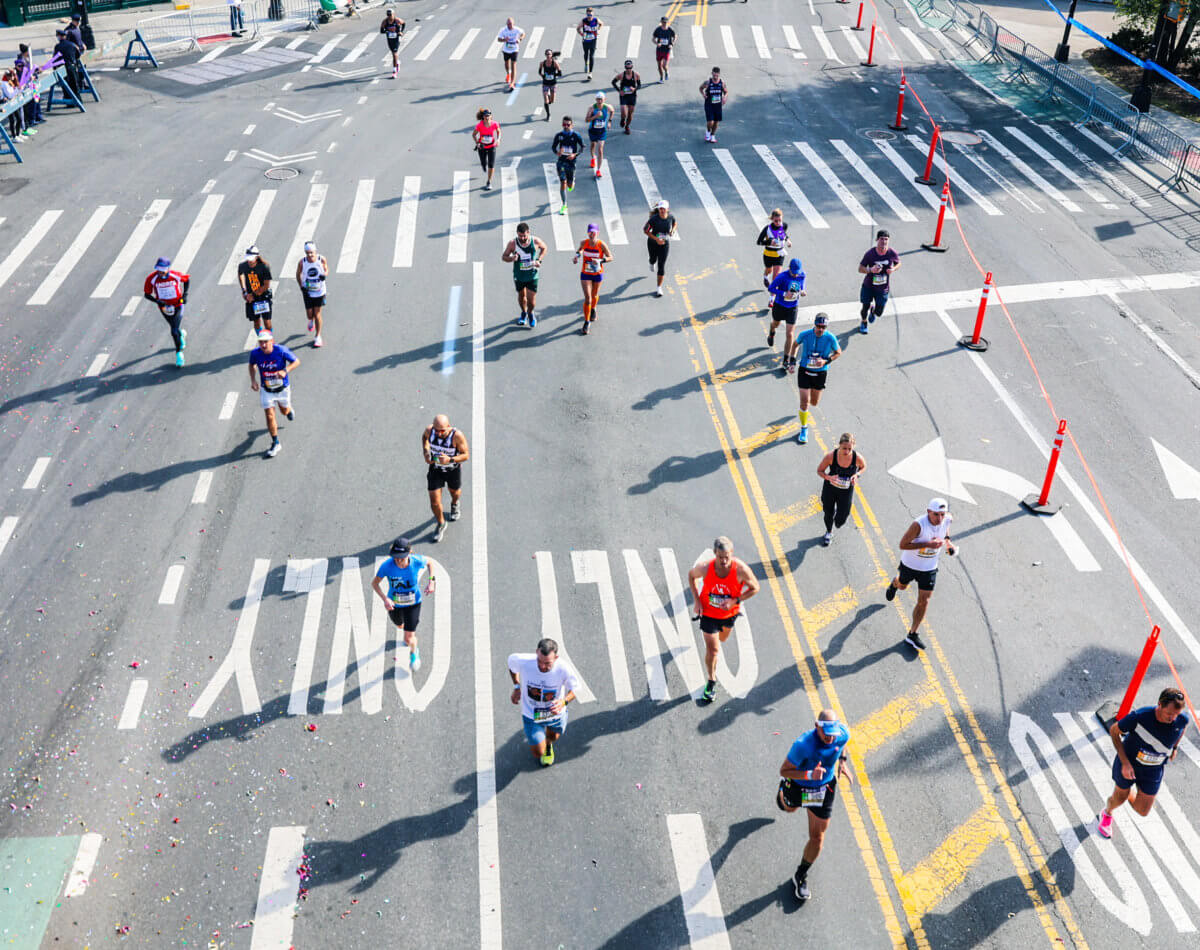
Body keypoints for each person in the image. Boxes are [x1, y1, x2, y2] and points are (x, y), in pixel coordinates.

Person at [777, 710, 855, 902]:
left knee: (817, 837)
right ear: (816, 726)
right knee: (788, 809)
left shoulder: (841, 734)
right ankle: (782, 795)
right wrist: (810, 775)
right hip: (799, 786)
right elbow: (784, 769)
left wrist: (842, 762)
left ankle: (801, 874)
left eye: (833, 733)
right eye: (826, 732)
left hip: (824, 788)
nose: (830, 737)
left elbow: (843, 743)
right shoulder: (803, 745)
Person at [1098, 687, 1190, 839]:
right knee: (1119, 797)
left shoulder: (1182, 719)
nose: (1172, 718)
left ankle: (1129, 792)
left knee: (1143, 810)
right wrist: (1125, 762)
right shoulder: (1140, 716)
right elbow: (1114, 731)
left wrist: (1174, 747)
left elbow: (1182, 727)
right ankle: (1107, 813)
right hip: (1129, 763)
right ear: (1159, 704)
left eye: (1176, 715)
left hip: (1153, 769)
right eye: (1169, 713)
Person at [687, 536, 760, 703]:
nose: (724, 560)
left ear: (731, 553)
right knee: (713, 650)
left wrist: (735, 601)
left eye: (727, 556)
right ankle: (711, 681)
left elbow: (755, 587)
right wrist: (697, 601)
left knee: (723, 639)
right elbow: (691, 576)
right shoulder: (706, 568)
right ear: (715, 554)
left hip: (729, 614)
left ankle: (717, 643)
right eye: (720, 557)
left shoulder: (741, 569)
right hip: (708, 614)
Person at [885, 498, 957, 652]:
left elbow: (947, 527)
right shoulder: (918, 525)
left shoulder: (947, 519)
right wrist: (927, 544)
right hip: (910, 566)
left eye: (942, 515)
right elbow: (902, 544)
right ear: (928, 512)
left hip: (929, 568)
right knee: (903, 587)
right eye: (936, 515)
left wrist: (948, 541)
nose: (939, 519)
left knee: (924, 601)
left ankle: (912, 634)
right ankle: (895, 583)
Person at [508, 638, 580, 767]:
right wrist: (517, 687)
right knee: (538, 753)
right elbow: (512, 665)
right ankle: (543, 746)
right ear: (536, 652)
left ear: (556, 657)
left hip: (555, 715)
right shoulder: (524, 661)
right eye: (539, 661)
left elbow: (575, 688)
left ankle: (548, 744)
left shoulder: (563, 668)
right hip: (531, 714)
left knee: (552, 738)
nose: (542, 666)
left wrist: (563, 702)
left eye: (547, 663)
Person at [372, 536, 434, 672]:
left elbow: (430, 563)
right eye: (396, 557)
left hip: (413, 604)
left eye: (402, 557)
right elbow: (374, 583)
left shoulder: (417, 561)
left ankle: (414, 653)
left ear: (409, 553)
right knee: (400, 625)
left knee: (409, 638)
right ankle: (407, 632)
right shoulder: (387, 566)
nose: (398, 561)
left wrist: (431, 581)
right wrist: (385, 599)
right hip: (394, 605)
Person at [247, 329, 298, 459]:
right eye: (261, 342)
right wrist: (253, 380)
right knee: (270, 416)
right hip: (266, 390)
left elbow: (296, 361)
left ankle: (288, 409)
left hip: (282, 389)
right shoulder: (255, 353)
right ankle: (275, 443)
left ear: (272, 341)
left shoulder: (281, 350)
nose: (263, 345)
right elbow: (252, 365)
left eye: (266, 342)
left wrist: (285, 370)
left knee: (284, 411)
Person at [422, 414, 470, 542]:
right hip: (436, 470)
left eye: (442, 430)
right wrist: (426, 452)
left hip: (452, 470)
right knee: (434, 502)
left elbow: (466, 455)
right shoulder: (429, 431)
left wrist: (450, 459)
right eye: (436, 430)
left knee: (454, 492)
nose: (438, 433)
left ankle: (454, 504)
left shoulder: (456, 435)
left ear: (448, 426)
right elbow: (425, 438)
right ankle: (441, 523)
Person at [794, 312, 840, 445]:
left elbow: (838, 352)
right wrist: (791, 360)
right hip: (804, 370)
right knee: (804, 402)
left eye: (823, 327)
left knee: (814, 402)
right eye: (818, 326)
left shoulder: (830, 338)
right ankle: (804, 428)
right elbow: (795, 345)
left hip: (820, 373)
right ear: (814, 324)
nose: (820, 329)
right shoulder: (805, 334)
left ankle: (806, 409)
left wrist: (826, 361)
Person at [816, 433, 865, 546]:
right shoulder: (831, 456)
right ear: (839, 445)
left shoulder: (857, 458)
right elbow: (819, 470)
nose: (847, 451)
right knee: (828, 513)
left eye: (849, 449)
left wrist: (857, 475)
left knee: (841, 518)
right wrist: (829, 477)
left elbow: (863, 467)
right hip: (830, 489)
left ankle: (838, 518)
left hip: (846, 491)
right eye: (844, 448)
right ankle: (828, 532)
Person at [142, 257, 190, 368]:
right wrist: (157, 301)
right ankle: (181, 334)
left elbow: (187, 280)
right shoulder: (152, 278)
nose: (160, 272)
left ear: (168, 269)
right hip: (164, 308)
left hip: (178, 304)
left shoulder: (175, 275)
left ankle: (179, 354)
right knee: (174, 328)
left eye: (162, 270)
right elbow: (147, 294)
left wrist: (185, 295)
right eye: (158, 270)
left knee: (173, 330)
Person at [765, 258, 806, 374]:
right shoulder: (782, 276)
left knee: (790, 333)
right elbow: (771, 288)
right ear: (789, 269)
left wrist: (802, 291)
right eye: (793, 272)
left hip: (792, 307)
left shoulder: (802, 275)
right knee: (776, 324)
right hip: (780, 305)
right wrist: (783, 293)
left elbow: (802, 286)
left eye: (797, 272)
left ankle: (786, 359)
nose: (795, 274)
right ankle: (772, 331)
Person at [501, 222, 547, 327]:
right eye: (520, 236)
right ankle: (523, 312)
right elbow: (504, 257)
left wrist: (539, 260)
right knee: (522, 297)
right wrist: (512, 258)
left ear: (528, 232)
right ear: (517, 234)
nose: (522, 238)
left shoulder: (535, 241)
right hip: (519, 275)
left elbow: (544, 248)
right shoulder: (512, 243)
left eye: (524, 235)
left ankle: (530, 313)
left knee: (531, 301)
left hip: (532, 275)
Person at [857, 229, 900, 335]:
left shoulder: (891, 253)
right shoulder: (870, 254)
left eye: (886, 239)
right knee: (864, 307)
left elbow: (898, 263)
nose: (884, 242)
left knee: (879, 313)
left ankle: (873, 311)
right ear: (877, 240)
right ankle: (864, 322)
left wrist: (893, 269)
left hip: (883, 288)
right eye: (882, 239)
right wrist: (870, 270)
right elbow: (860, 268)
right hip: (869, 286)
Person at [574, 223, 612, 335]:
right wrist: (577, 256)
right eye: (590, 232)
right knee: (588, 298)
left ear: (598, 233)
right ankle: (586, 322)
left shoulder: (601, 245)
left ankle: (593, 308)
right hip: (586, 273)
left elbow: (610, 257)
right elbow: (580, 250)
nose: (592, 234)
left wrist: (601, 261)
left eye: (594, 232)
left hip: (597, 273)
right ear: (588, 232)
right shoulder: (584, 243)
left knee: (595, 295)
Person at [295, 241, 328, 347]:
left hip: (319, 291)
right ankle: (311, 320)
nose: (309, 255)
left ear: (315, 251)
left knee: (317, 313)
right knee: (310, 314)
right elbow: (298, 274)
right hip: (308, 291)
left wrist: (324, 275)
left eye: (311, 252)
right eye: (307, 253)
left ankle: (318, 336)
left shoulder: (321, 259)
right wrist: (301, 286)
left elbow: (326, 269)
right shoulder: (302, 262)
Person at [643, 199, 676, 297]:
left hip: (664, 244)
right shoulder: (654, 219)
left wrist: (672, 231)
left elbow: (675, 223)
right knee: (653, 259)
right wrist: (656, 239)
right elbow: (645, 230)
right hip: (653, 243)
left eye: (663, 209)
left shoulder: (670, 217)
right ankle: (651, 262)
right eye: (660, 209)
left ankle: (659, 288)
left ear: (667, 209)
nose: (662, 210)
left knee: (661, 265)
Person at [551, 115, 584, 214]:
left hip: (571, 162)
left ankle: (572, 179)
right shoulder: (559, 135)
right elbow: (553, 147)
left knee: (569, 185)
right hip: (561, 161)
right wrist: (557, 152)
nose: (566, 126)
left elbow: (582, 147)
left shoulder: (576, 135)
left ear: (571, 125)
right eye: (564, 124)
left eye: (568, 125)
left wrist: (575, 154)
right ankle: (564, 205)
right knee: (563, 182)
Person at [238, 245, 273, 334]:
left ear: (257, 257)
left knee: (267, 322)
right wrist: (244, 290)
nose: (249, 261)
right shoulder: (243, 266)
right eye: (248, 259)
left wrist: (252, 295)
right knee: (256, 322)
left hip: (263, 297)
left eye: (251, 259)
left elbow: (266, 285)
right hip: (251, 298)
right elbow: (240, 274)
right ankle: (261, 339)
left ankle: (269, 339)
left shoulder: (264, 267)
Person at [757, 209, 791, 290]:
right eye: (776, 221)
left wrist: (788, 240)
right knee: (769, 270)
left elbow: (783, 233)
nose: (778, 223)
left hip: (779, 253)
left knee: (776, 276)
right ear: (772, 219)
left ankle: (772, 298)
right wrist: (769, 242)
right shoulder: (767, 229)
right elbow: (759, 242)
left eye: (780, 220)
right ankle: (765, 276)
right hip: (768, 254)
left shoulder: (784, 225)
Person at [584, 92, 612, 177]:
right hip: (593, 130)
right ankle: (593, 157)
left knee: (600, 149)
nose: (599, 101)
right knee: (593, 145)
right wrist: (595, 116)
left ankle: (598, 170)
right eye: (598, 99)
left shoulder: (607, 107)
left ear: (604, 100)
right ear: (596, 100)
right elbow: (587, 120)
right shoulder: (592, 108)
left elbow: (612, 111)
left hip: (602, 132)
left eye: (601, 99)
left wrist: (609, 121)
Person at [473, 107, 501, 191]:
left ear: (491, 116)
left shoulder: (494, 124)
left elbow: (499, 131)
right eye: (485, 116)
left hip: (492, 146)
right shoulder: (479, 125)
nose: (487, 117)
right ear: (483, 117)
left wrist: (498, 139)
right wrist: (477, 143)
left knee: (491, 165)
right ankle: (483, 164)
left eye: (488, 115)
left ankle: (489, 182)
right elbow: (474, 135)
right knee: (483, 162)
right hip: (482, 146)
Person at [612, 60, 641, 133]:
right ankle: (622, 119)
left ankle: (627, 126)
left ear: (632, 67)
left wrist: (635, 89)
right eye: (627, 68)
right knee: (624, 113)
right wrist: (619, 91)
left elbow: (639, 85)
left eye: (630, 68)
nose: (629, 69)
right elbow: (613, 82)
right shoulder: (621, 75)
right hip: (624, 96)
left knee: (630, 114)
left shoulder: (636, 75)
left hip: (632, 96)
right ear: (625, 67)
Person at [699, 67, 727, 143]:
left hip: (718, 104)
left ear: (719, 74)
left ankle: (713, 135)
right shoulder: (707, 83)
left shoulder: (722, 83)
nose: (715, 76)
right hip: (709, 104)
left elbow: (726, 92)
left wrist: (724, 97)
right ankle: (708, 132)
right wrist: (703, 95)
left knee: (716, 121)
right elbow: (700, 88)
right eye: (714, 74)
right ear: (712, 73)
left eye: (717, 75)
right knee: (710, 121)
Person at [496, 18, 524, 91]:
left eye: (510, 24)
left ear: (513, 24)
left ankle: (512, 83)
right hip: (506, 49)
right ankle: (508, 73)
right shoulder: (503, 30)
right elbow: (498, 39)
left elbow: (523, 34)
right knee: (506, 64)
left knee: (513, 64)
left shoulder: (517, 29)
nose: (509, 25)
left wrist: (520, 39)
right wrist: (504, 40)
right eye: (508, 24)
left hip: (514, 49)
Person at [379, 9, 406, 79]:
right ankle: (397, 62)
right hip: (390, 39)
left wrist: (401, 32)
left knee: (394, 53)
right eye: (388, 15)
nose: (389, 16)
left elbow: (404, 23)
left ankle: (394, 71)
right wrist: (388, 32)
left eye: (390, 15)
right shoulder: (385, 22)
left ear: (393, 14)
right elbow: (381, 31)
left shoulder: (397, 20)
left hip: (397, 38)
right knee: (393, 53)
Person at [53, 29, 81, 96]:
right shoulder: (72, 44)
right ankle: (77, 100)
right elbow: (78, 55)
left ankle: (68, 101)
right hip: (72, 67)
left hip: (63, 68)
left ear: (59, 36)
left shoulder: (57, 46)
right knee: (74, 85)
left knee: (66, 87)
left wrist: (54, 68)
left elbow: (55, 59)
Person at [577, 8, 602, 81]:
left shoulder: (596, 20)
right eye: (588, 14)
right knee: (586, 54)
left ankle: (590, 73)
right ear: (586, 14)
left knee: (591, 56)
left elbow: (601, 24)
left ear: (593, 14)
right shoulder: (584, 21)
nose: (589, 16)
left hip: (593, 41)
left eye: (590, 15)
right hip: (585, 41)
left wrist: (598, 30)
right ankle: (586, 64)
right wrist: (582, 34)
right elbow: (578, 28)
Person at [537, 49, 561, 121]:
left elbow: (560, 73)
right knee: (546, 100)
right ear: (545, 55)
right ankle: (548, 115)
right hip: (545, 83)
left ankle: (550, 97)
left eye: (549, 54)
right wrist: (543, 76)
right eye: (547, 54)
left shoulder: (555, 63)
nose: (548, 56)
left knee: (552, 101)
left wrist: (553, 75)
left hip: (553, 83)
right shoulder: (542, 63)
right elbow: (539, 71)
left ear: (551, 55)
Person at [652, 16, 676, 80]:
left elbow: (675, 36)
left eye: (665, 22)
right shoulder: (658, 29)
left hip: (667, 50)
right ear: (661, 22)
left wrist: (672, 44)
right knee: (659, 66)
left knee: (664, 65)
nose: (664, 23)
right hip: (659, 50)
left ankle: (666, 72)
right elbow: (653, 39)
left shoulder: (670, 30)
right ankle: (661, 77)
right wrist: (657, 43)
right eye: (663, 22)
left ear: (667, 22)